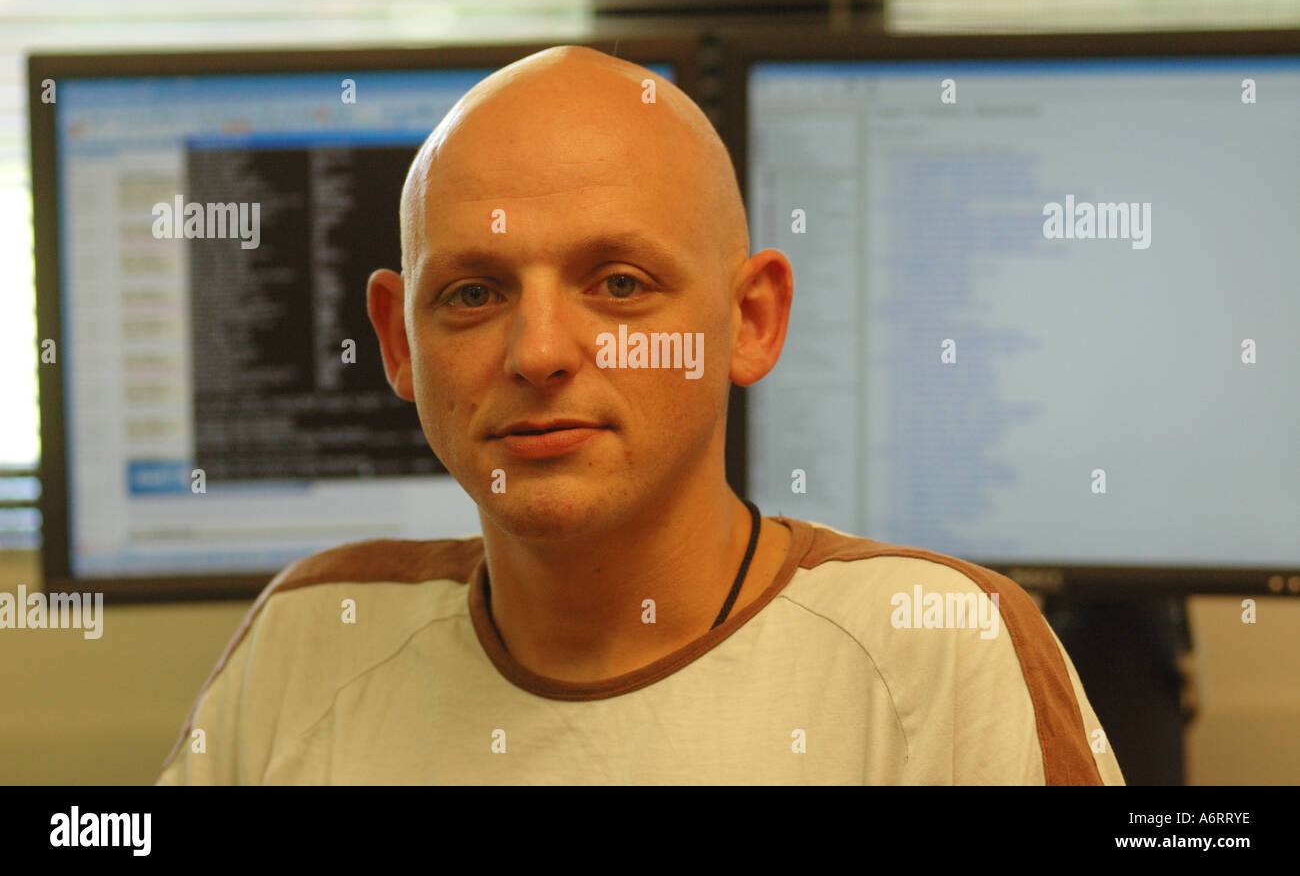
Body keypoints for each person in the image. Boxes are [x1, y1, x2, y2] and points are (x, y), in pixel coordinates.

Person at [157, 45, 1124, 785]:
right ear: (399, 343)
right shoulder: (312, 638)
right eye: (473, 294)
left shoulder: (943, 652)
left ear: (750, 321)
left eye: (619, 283)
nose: (538, 353)